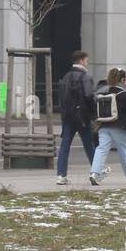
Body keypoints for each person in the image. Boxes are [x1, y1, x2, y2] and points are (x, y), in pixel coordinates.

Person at [88, 67, 126, 186]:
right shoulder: (124, 95)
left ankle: (95, 173)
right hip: (120, 127)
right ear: (122, 80)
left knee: (101, 149)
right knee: (124, 151)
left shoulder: (103, 94)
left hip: (103, 126)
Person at [55, 50, 96, 185]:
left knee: (65, 146)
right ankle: (96, 172)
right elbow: (89, 96)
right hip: (82, 117)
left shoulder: (66, 77)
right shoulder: (85, 77)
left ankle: (61, 175)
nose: (87, 63)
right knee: (89, 145)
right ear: (82, 61)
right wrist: (93, 114)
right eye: (87, 60)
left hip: (67, 117)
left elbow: (62, 98)